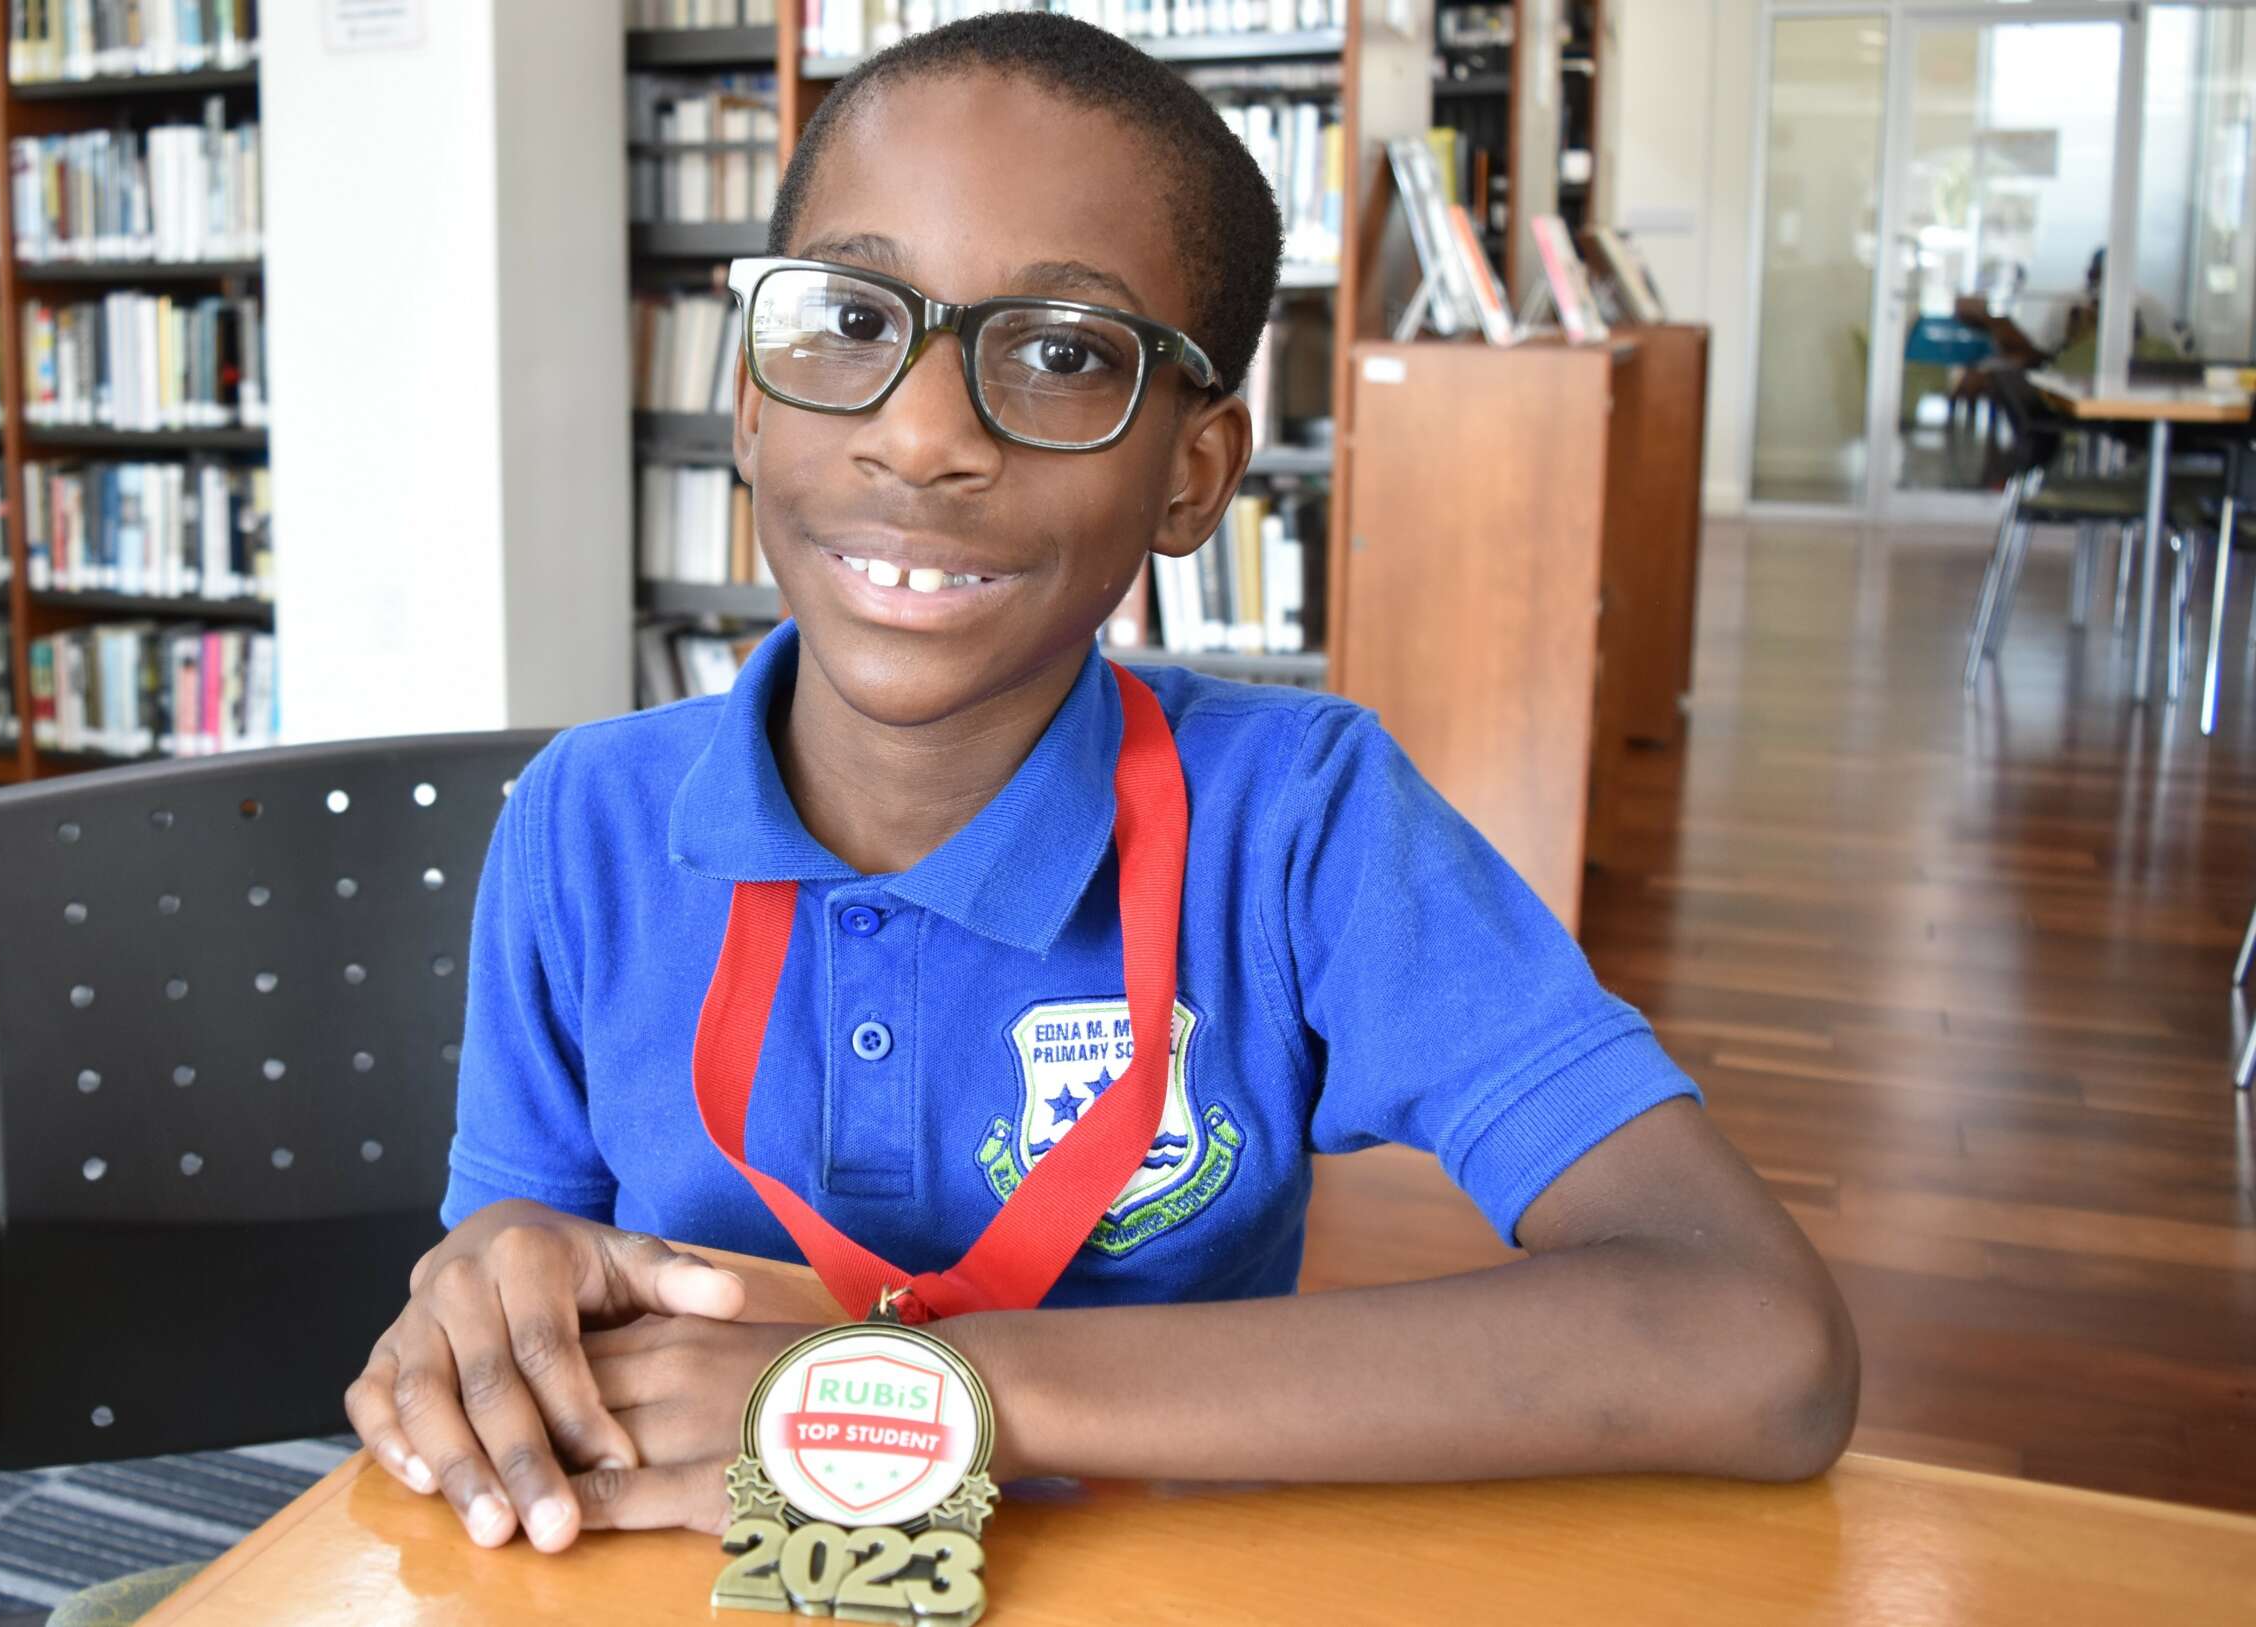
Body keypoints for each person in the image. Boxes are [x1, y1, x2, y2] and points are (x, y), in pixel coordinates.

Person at [344, 13, 1859, 1556]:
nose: (921, 438)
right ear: (749, 403)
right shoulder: (579, 826)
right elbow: (514, 1279)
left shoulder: (1303, 823)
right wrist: (495, 1288)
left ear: (1194, 476)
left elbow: (1754, 1342)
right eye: (850, 324)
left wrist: (912, 1388)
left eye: (1065, 355)